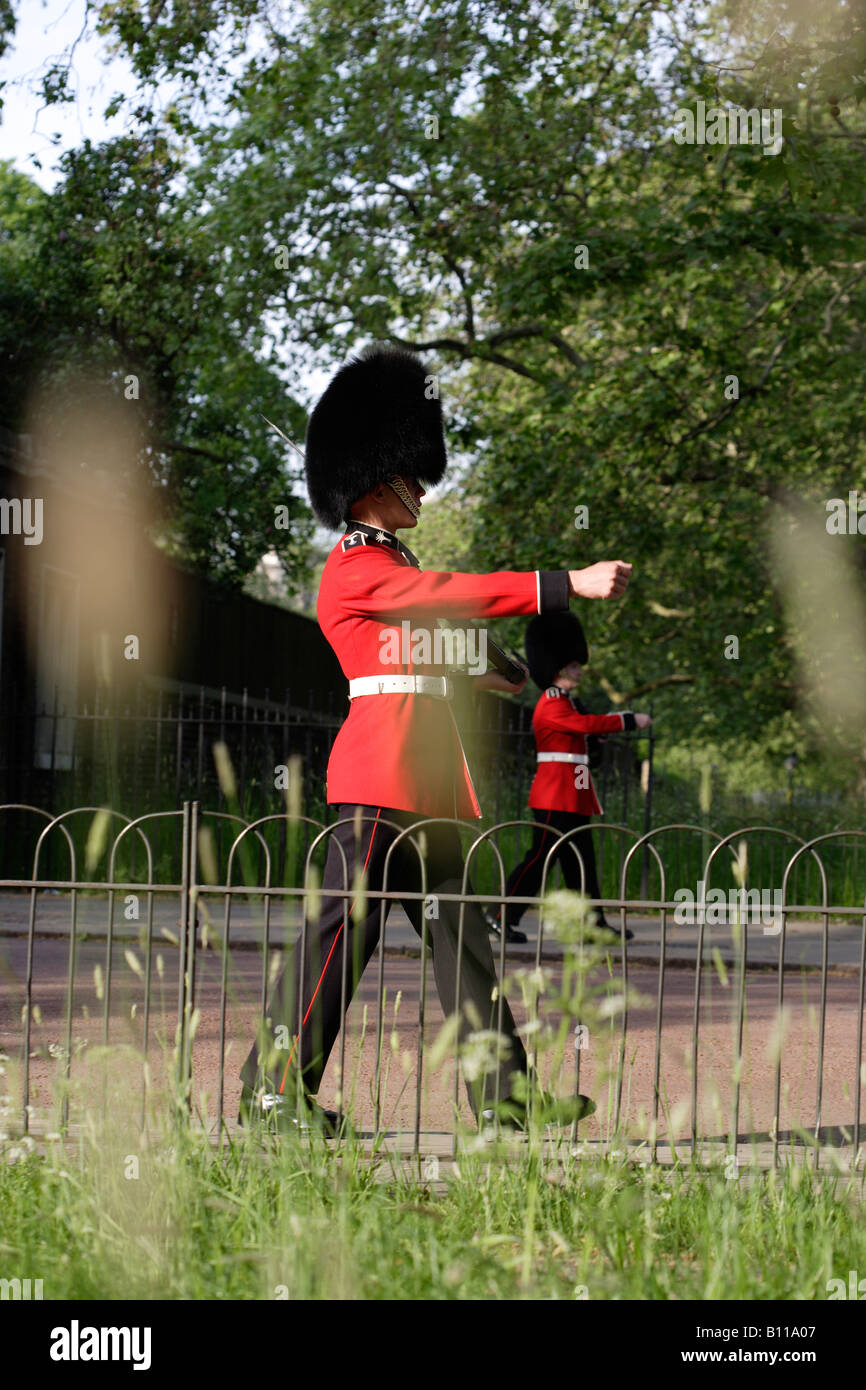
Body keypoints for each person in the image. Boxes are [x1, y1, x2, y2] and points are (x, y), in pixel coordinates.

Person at [239, 343, 633, 1133]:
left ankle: (506, 1100)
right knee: (336, 943)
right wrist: (563, 584)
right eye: (410, 476)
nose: (421, 488)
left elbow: (441, 635)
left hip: (433, 794)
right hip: (380, 787)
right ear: (373, 480)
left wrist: (505, 670)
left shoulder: (390, 568)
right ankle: (271, 1092)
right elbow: (440, 596)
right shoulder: (354, 567)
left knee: (470, 950)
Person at [497, 611, 652, 944]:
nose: (580, 670)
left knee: (580, 863)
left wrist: (595, 740)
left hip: (573, 793)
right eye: (574, 666)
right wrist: (626, 720)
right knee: (539, 859)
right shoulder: (552, 703)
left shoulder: (566, 703)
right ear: (559, 669)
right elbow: (584, 726)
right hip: (556, 795)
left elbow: (579, 736)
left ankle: (591, 925)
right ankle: (498, 916)